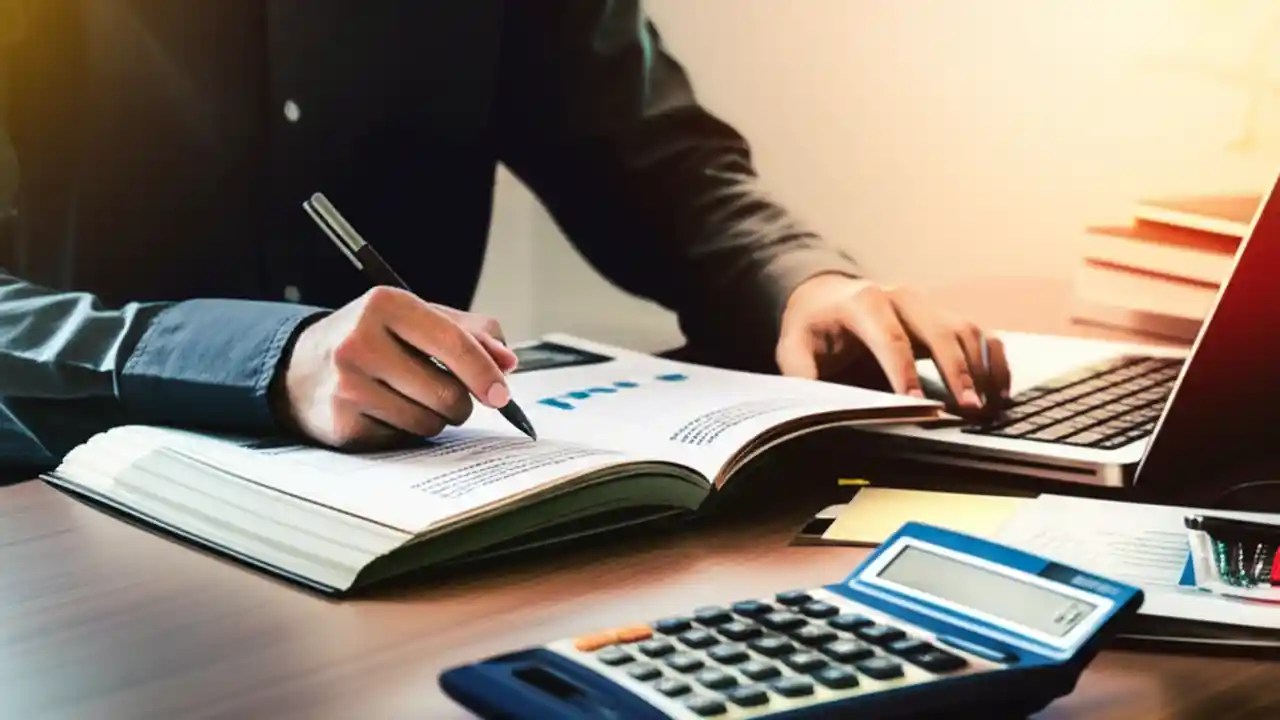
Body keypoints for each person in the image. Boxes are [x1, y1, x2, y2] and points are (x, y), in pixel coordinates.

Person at [0, 1, 1009, 469]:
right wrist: (267, 359)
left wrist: (797, 282)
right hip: (63, 508)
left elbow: (650, 157)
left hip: (422, 504)